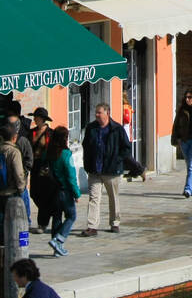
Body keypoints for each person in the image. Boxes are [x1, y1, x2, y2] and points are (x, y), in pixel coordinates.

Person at [82, 103, 131, 232]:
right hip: (94, 170)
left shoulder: (117, 129)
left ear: (107, 113)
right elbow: (85, 146)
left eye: (99, 113)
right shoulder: (91, 128)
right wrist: (87, 163)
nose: (97, 115)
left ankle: (115, 223)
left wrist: (117, 160)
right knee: (94, 198)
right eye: (96, 113)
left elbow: (126, 148)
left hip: (111, 170)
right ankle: (92, 226)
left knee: (113, 197)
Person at [0, 121, 28, 246]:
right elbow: (18, 173)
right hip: (12, 191)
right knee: (18, 219)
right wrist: (21, 188)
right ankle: (18, 244)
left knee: (1, 219)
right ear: (14, 137)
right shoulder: (14, 152)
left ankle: (2, 244)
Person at [46, 127, 79, 257]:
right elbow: (71, 176)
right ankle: (59, 239)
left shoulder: (48, 153)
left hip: (52, 190)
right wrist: (76, 193)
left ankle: (56, 248)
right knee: (71, 216)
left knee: (57, 217)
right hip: (64, 191)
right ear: (64, 139)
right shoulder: (66, 155)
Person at [5, 114, 35, 233]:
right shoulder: (1, 142)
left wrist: (24, 171)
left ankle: (25, 222)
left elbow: (29, 159)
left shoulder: (22, 142)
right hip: (7, 182)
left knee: (23, 199)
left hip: (20, 180)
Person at [29, 107, 55, 233]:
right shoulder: (32, 132)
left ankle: (42, 224)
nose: (34, 119)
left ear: (42, 119)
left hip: (46, 167)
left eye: (36, 117)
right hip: (34, 165)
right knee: (34, 193)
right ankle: (47, 211)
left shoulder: (50, 133)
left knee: (43, 194)